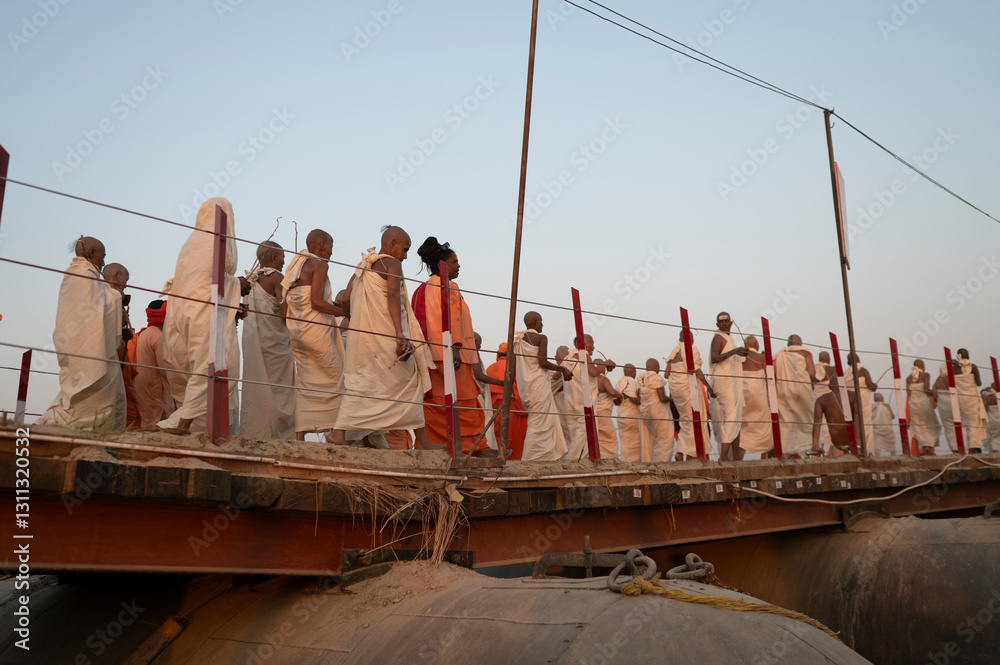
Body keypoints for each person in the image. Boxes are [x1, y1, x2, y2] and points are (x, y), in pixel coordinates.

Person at [334, 227, 435, 448]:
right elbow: (392, 296)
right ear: (392, 243)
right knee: (411, 379)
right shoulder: (392, 264)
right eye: (405, 249)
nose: (406, 256)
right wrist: (400, 334)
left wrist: (356, 321)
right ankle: (423, 440)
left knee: (361, 384)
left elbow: (345, 300)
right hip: (386, 337)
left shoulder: (361, 267)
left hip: (362, 341)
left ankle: (338, 434)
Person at [159, 199, 245, 435]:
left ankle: (207, 428)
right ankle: (181, 422)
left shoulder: (191, 242)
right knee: (213, 364)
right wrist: (238, 284)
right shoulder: (214, 239)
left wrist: (233, 296)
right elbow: (214, 277)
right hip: (205, 311)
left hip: (185, 311)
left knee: (217, 367)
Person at [39, 236, 126, 430]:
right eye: (102, 257)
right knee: (90, 393)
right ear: (90, 254)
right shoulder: (81, 274)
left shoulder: (85, 276)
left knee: (110, 392)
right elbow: (92, 308)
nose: (103, 263)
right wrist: (116, 296)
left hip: (96, 347)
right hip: (87, 348)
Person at [411, 237, 487, 454]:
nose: (458, 266)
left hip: (429, 356)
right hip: (454, 356)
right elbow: (453, 318)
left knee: (437, 404)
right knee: (464, 403)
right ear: (442, 265)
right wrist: (455, 348)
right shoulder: (449, 286)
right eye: (454, 262)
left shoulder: (421, 290)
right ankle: (475, 448)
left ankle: (442, 447)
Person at [282, 229, 348, 443]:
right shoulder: (320, 264)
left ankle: (300, 436)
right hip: (316, 333)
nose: (331, 251)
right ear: (321, 245)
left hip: (298, 334)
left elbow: (286, 307)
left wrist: (333, 307)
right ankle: (337, 433)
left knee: (305, 383)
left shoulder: (297, 265)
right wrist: (345, 312)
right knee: (338, 379)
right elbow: (316, 302)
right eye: (330, 246)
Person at [240, 240, 296, 440]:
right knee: (280, 391)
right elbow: (284, 312)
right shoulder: (278, 278)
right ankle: (279, 437)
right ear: (274, 258)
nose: (284, 261)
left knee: (257, 388)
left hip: (255, 344)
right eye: (282, 257)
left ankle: (254, 433)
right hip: (275, 347)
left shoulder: (249, 281)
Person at [513, 312, 570, 461]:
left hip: (526, 387)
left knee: (540, 420)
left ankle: (545, 458)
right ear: (534, 321)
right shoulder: (541, 338)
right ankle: (529, 459)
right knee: (539, 423)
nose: (542, 324)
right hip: (538, 384)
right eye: (541, 321)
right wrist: (563, 369)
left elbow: (513, 368)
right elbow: (542, 362)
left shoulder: (517, 342)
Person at [559, 335, 612, 461]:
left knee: (575, 433)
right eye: (592, 344)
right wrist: (606, 363)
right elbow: (593, 372)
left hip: (571, 403)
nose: (593, 347)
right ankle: (571, 460)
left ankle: (575, 459)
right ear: (585, 344)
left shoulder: (567, 358)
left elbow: (556, 376)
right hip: (583, 404)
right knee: (585, 432)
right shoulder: (584, 355)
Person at [102, 262, 140, 429]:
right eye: (126, 279)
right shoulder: (108, 298)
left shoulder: (113, 298)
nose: (126, 284)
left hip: (122, 370)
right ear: (115, 276)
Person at [667, 332, 714, 460]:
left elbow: (666, 374)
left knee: (686, 421)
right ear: (690, 339)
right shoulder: (690, 349)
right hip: (688, 389)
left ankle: (684, 454)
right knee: (695, 420)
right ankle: (683, 454)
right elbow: (697, 371)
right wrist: (709, 388)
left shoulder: (674, 352)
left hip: (676, 391)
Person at [709, 312, 747, 461]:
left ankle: (736, 456)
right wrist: (735, 351)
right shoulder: (718, 337)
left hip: (732, 382)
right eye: (721, 321)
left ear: (731, 323)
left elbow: (733, 359)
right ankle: (723, 456)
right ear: (717, 324)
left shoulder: (729, 339)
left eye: (726, 321)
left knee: (736, 417)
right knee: (732, 417)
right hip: (724, 382)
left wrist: (742, 353)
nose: (724, 323)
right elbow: (714, 357)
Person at [132, 300, 176, 428]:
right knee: (156, 424)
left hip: (144, 388)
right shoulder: (158, 336)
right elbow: (165, 370)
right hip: (154, 389)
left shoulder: (145, 333)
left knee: (147, 421)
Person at [773, 335, 816, 457]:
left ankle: (787, 452)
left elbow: (772, 373)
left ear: (788, 343)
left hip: (784, 391)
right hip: (803, 390)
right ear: (800, 343)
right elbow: (812, 373)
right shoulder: (805, 353)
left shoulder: (779, 355)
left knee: (786, 420)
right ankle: (808, 448)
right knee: (806, 419)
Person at [487, 342, 528, 459]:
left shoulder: (489, 368)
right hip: (513, 406)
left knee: (498, 436)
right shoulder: (514, 366)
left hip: (494, 408)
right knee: (514, 436)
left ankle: (498, 457)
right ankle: (512, 459)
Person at [739, 336, 774, 457]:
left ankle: (738, 458)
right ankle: (763, 457)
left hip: (743, 398)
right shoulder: (762, 358)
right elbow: (770, 378)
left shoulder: (739, 359)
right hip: (759, 397)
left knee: (742, 427)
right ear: (756, 344)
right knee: (764, 426)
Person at [637, 358, 674, 463]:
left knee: (653, 439)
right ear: (657, 368)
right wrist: (674, 399)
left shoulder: (641, 379)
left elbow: (639, 399)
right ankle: (661, 464)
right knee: (665, 439)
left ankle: (651, 462)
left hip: (646, 414)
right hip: (658, 411)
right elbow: (662, 398)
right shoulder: (656, 377)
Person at [953, 349, 988, 453]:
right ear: (968, 356)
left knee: (963, 424)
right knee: (974, 423)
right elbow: (979, 383)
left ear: (958, 356)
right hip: (972, 398)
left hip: (960, 399)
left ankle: (962, 449)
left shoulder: (953, 369)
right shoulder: (974, 367)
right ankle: (972, 448)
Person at [472, 332, 502, 452]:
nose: (479, 347)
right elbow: (479, 375)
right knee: (483, 424)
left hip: (472, 394)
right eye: (479, 343)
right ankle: (485, 449)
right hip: (476, 395)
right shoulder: (472, 352)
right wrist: (502, 383)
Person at [811, 375, 853, 455]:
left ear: (829, 386)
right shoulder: (853, 396)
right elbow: (859, 420)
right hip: (853, 441)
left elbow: (817, 423)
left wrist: (815, 445)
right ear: (843, 384)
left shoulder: (821, 400)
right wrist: (858, 441)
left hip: (837, 442)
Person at [843, 353, 877, 452]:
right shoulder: (863, 371)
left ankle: (855, 447)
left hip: (851, 400)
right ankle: (866, 449)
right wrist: (875, 385)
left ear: (848, 362)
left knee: (854, 422)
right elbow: (871, 386)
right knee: (865, 422)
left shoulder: (847, 374)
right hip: (863, 401)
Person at [906, 359, 941, 455]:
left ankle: (925, 447)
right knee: (931, 425)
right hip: (924, 404)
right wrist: (935, 393)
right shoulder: (926, 375)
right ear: (922, 366)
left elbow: (908, 393)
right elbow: (926, 390)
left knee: (918, 427)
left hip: (914, 406)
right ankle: (928, 447)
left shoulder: (908, 378)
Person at [594, 365, 622, 459]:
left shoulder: (587, 380)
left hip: (591, 414)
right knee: (610, 439)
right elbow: (613, 392)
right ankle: (609, 460)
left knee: (596, 439)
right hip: (603, 414)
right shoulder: (603, 379)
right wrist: (620, 396)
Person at [615, 364, 642, 462]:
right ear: (633, 372)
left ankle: (625, 461)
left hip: (622, 416)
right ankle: (632, 464)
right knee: (634, 443)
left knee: (625, 442)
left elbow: (616, 402)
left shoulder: (620, 382)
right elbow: (633, 398)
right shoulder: (631, 382)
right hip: (631, 417)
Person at [933, 363, 959, 453]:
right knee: (961, 426)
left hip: (942, 406)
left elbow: (935, 397)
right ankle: (961, 448)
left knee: (948, 428)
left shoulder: (937, 382)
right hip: (954, 404)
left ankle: (954, 449)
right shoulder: (954, 379)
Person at [812, 351, 834, 454]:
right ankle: (832, 448)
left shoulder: (815, 370)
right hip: (830, 400)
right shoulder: (832, 369)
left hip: (817, 399)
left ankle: (818, 445)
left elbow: (812, 385)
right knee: (831, 421)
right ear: (829, 359)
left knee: (819, 421)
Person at [551, 345, 573, 445]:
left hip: (571, 404)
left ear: (555, 358)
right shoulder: (552, 373)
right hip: (560, 405)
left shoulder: (572, 370)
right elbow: (554, 379)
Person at [982, 384, 999, 454]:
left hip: (992, 418)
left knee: (994, 436)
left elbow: (982, 409)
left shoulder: (987, 397)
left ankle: (996, 450)